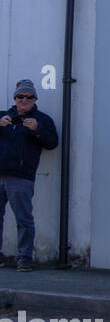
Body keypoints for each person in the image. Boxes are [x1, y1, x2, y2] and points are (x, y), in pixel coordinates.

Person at [0, 80, 59, 272]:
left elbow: (52, 143)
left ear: (35, 99)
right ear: (15, 98)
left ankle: (24, 258)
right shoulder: (3, 116)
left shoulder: (42, 119)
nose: (24, 100)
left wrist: (37, 130)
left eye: (29, 97)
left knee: (23, 219)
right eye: (20, 96)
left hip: (21, 176)